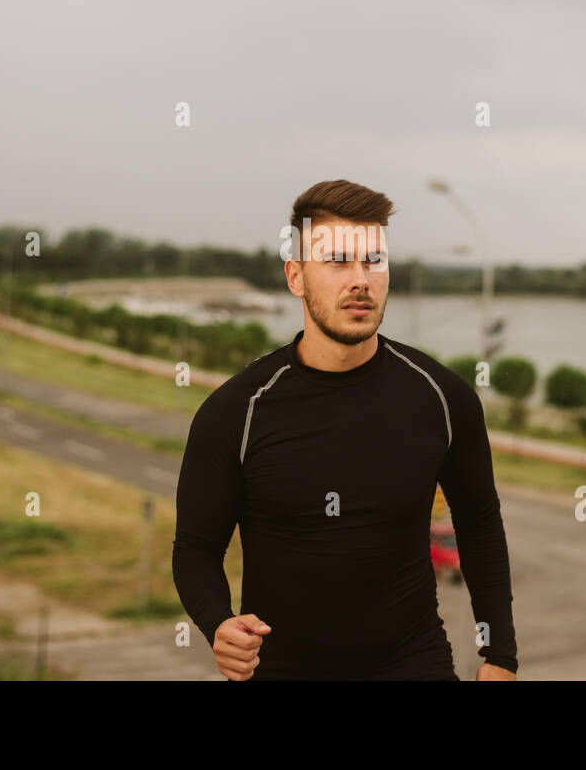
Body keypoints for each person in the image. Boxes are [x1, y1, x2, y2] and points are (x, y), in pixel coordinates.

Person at [173, 179, 517, 680]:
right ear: (296, 276)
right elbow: (196, 549)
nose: (361, 280)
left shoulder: (443, 398)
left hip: (413, 664)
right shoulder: (236, 411)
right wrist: (218, 623)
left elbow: (480, 525)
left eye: (374, 261)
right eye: (337, 261)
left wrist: (500, 656)